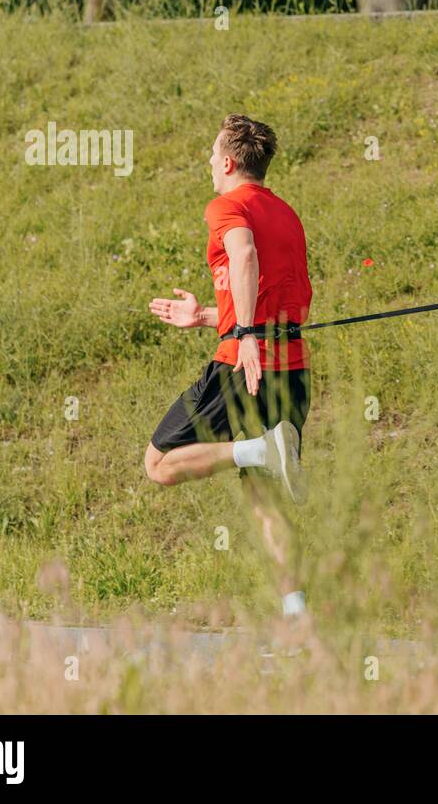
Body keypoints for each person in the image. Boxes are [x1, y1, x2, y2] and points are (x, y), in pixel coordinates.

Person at [144, 114, 312, 617]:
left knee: (158, 465)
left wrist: (243, 337)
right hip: (293, 368)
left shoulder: (226, 205)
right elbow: (295, 306)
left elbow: (243, 255)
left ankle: (257, 448)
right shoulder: (287, 214)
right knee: (265, 497)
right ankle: (298, 614)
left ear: (230, 161)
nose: (209, 164)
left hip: (244, 364)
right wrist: (208, 317)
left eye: (213, 156)